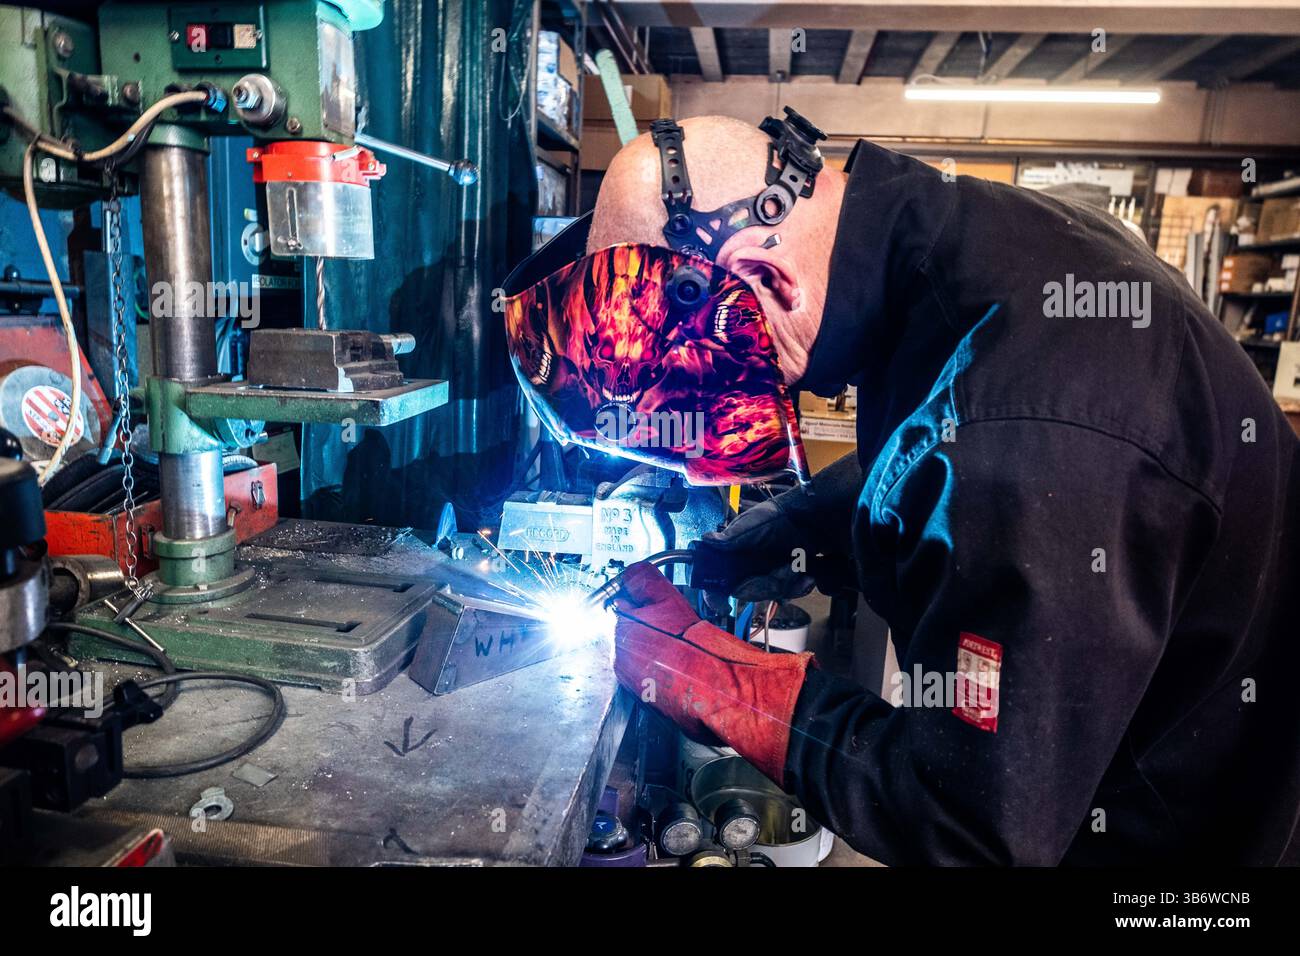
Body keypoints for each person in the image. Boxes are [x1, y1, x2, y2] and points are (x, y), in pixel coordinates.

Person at [504, 114, 1300, 865]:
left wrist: (728, 687)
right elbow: (940, 431)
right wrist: (787, 522)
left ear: (764, 282)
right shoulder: (955, 250)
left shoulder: (1033, 434)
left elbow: (971, 830)